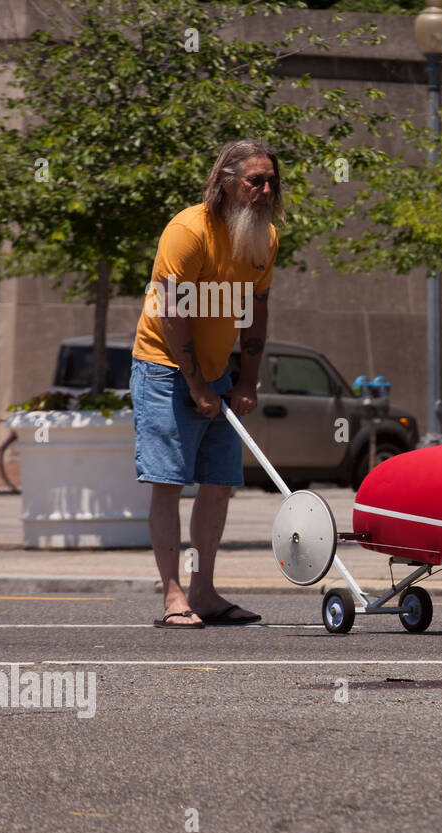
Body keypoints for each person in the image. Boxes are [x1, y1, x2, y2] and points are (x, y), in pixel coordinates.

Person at [130, 140, 282, 627]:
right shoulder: (188, 230)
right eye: (254, 181)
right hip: (164, 367)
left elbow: (256, 311)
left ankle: (205, 591)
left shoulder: (265, 236)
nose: (264, 190)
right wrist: (196, 384)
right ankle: (173, 595)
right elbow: (171, 312)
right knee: (169, 483)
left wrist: (247, 381)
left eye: (270, 182)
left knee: (219, 484)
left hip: (217, 371)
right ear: (225, 183)